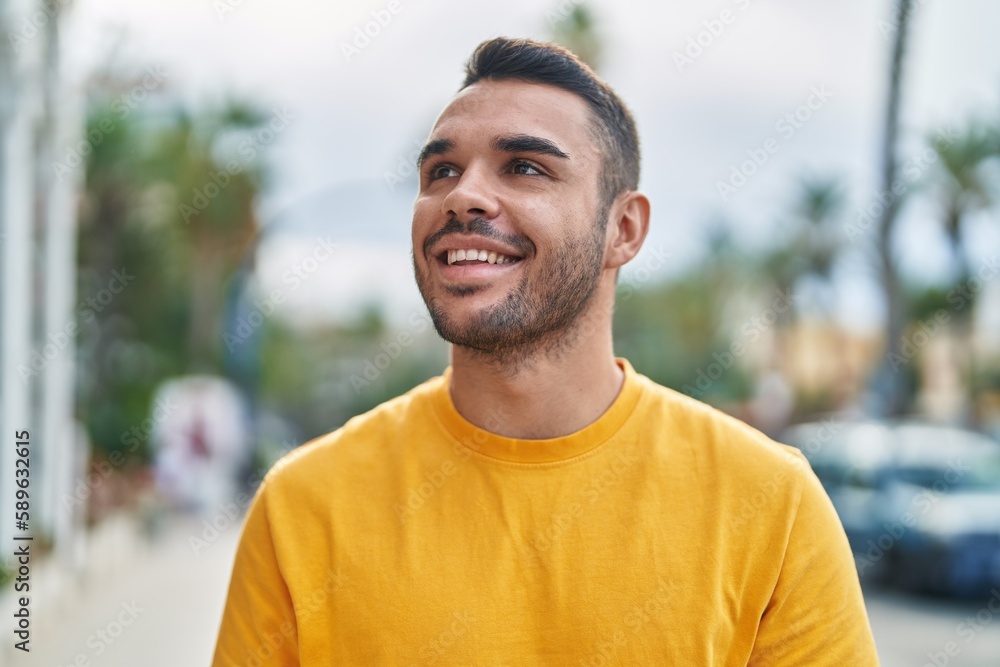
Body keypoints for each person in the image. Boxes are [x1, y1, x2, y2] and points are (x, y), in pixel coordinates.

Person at [212, 36, 879, 665]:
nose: (463, 195)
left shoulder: (770, 503)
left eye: (525, 167)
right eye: (440, 170)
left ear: (623, 228)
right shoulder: (301, 508)